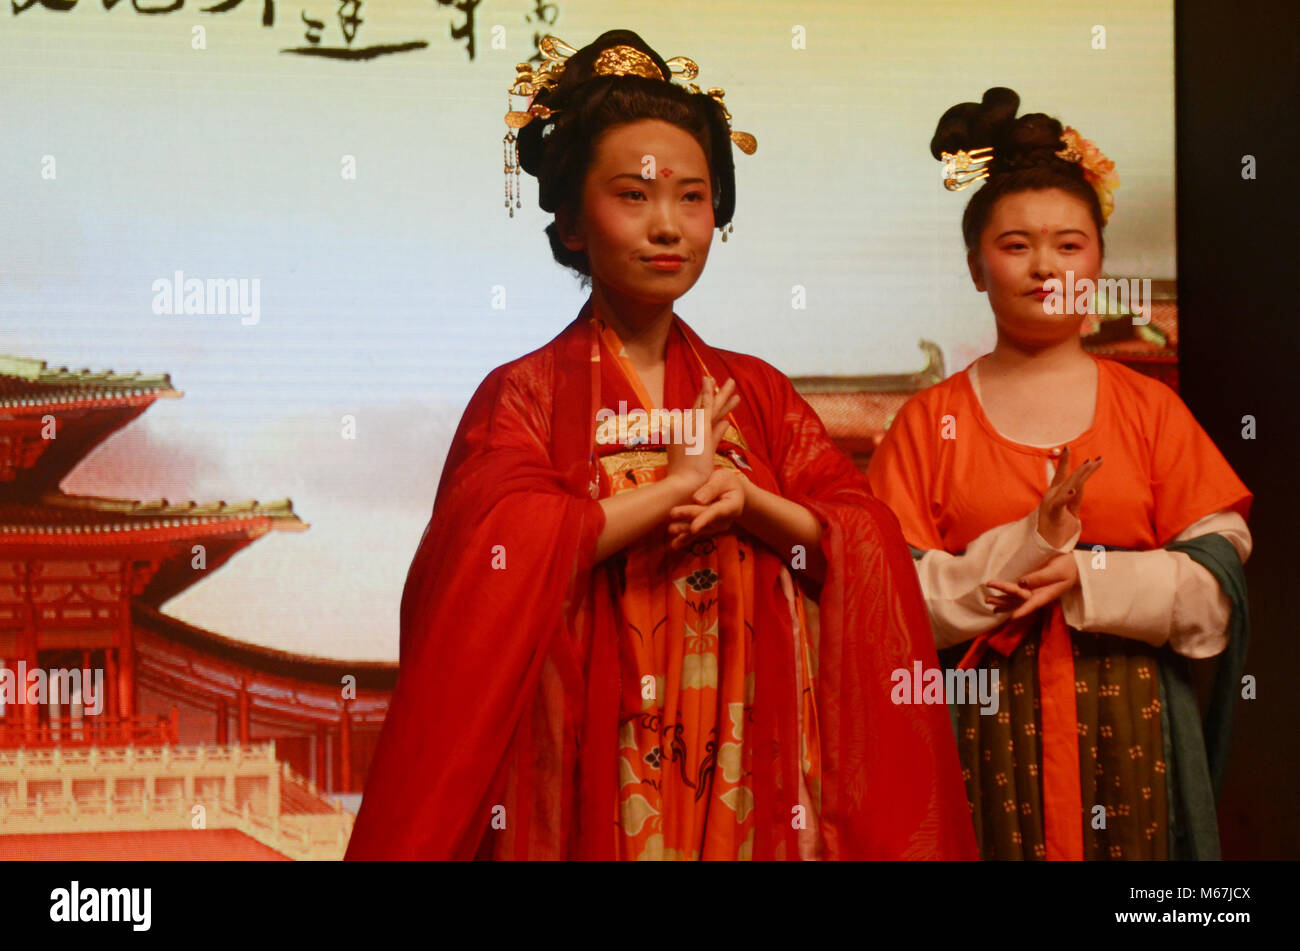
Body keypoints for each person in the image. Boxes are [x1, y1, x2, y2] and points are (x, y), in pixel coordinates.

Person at [344, 30, 976, 860]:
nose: (668, 227)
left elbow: (859, 540)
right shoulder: (523, 395)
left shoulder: (757, 393)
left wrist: (749, 500)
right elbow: (484, 562)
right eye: (633, 197)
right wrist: (665, 495)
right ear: (571, 220)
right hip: (589, 751)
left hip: (747, 745)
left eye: (692, 197)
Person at [866, 88, 1253, 860]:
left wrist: (1086, 579)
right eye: (1015, 245)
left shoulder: (1151, 411)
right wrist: (1019, 556)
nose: (1046, 265)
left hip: (1134, 724)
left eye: (1070, 245)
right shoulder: (925, 422)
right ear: (976, 266)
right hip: (980, 721)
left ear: (1100, 261)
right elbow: (888, 602)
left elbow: (1216, 585)